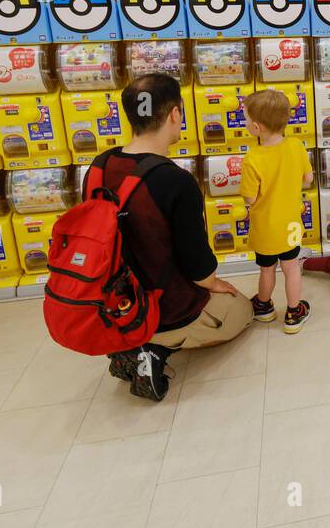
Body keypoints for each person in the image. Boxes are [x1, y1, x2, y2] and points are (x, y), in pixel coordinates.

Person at [95, 73, 248, 401]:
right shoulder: (174, 181)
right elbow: (198, 265)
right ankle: (151, 349)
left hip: (115, 301)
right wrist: (216, 284)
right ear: (176, 114)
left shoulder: (99, 166)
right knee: (242, 309)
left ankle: (128, 341)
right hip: (167, 307)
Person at [240, 88, 314, 334]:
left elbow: (250, 198)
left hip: (265, 227)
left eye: (247, 119)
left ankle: (263, 306)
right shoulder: (296, 146)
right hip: (292, 222)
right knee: (292, 267)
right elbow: (308, 179)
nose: (245, 122)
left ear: (257, 128)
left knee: (267, 268)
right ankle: (293, 312)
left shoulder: (252, 159)